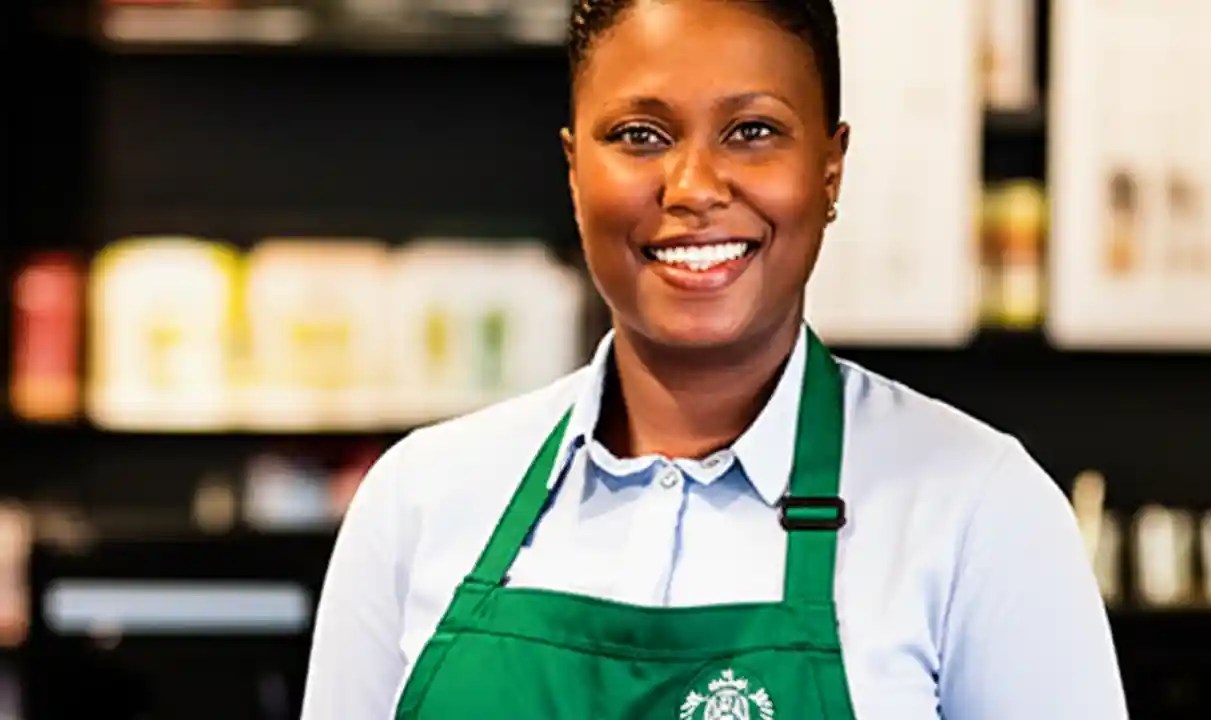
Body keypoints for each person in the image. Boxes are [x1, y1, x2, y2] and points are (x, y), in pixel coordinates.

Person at [301, 1, 1130, 718]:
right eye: (639, 134)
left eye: (754, 131)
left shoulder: (979, 511)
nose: (693, 185)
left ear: (830, 167)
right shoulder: (419, 502)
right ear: (572, 168)